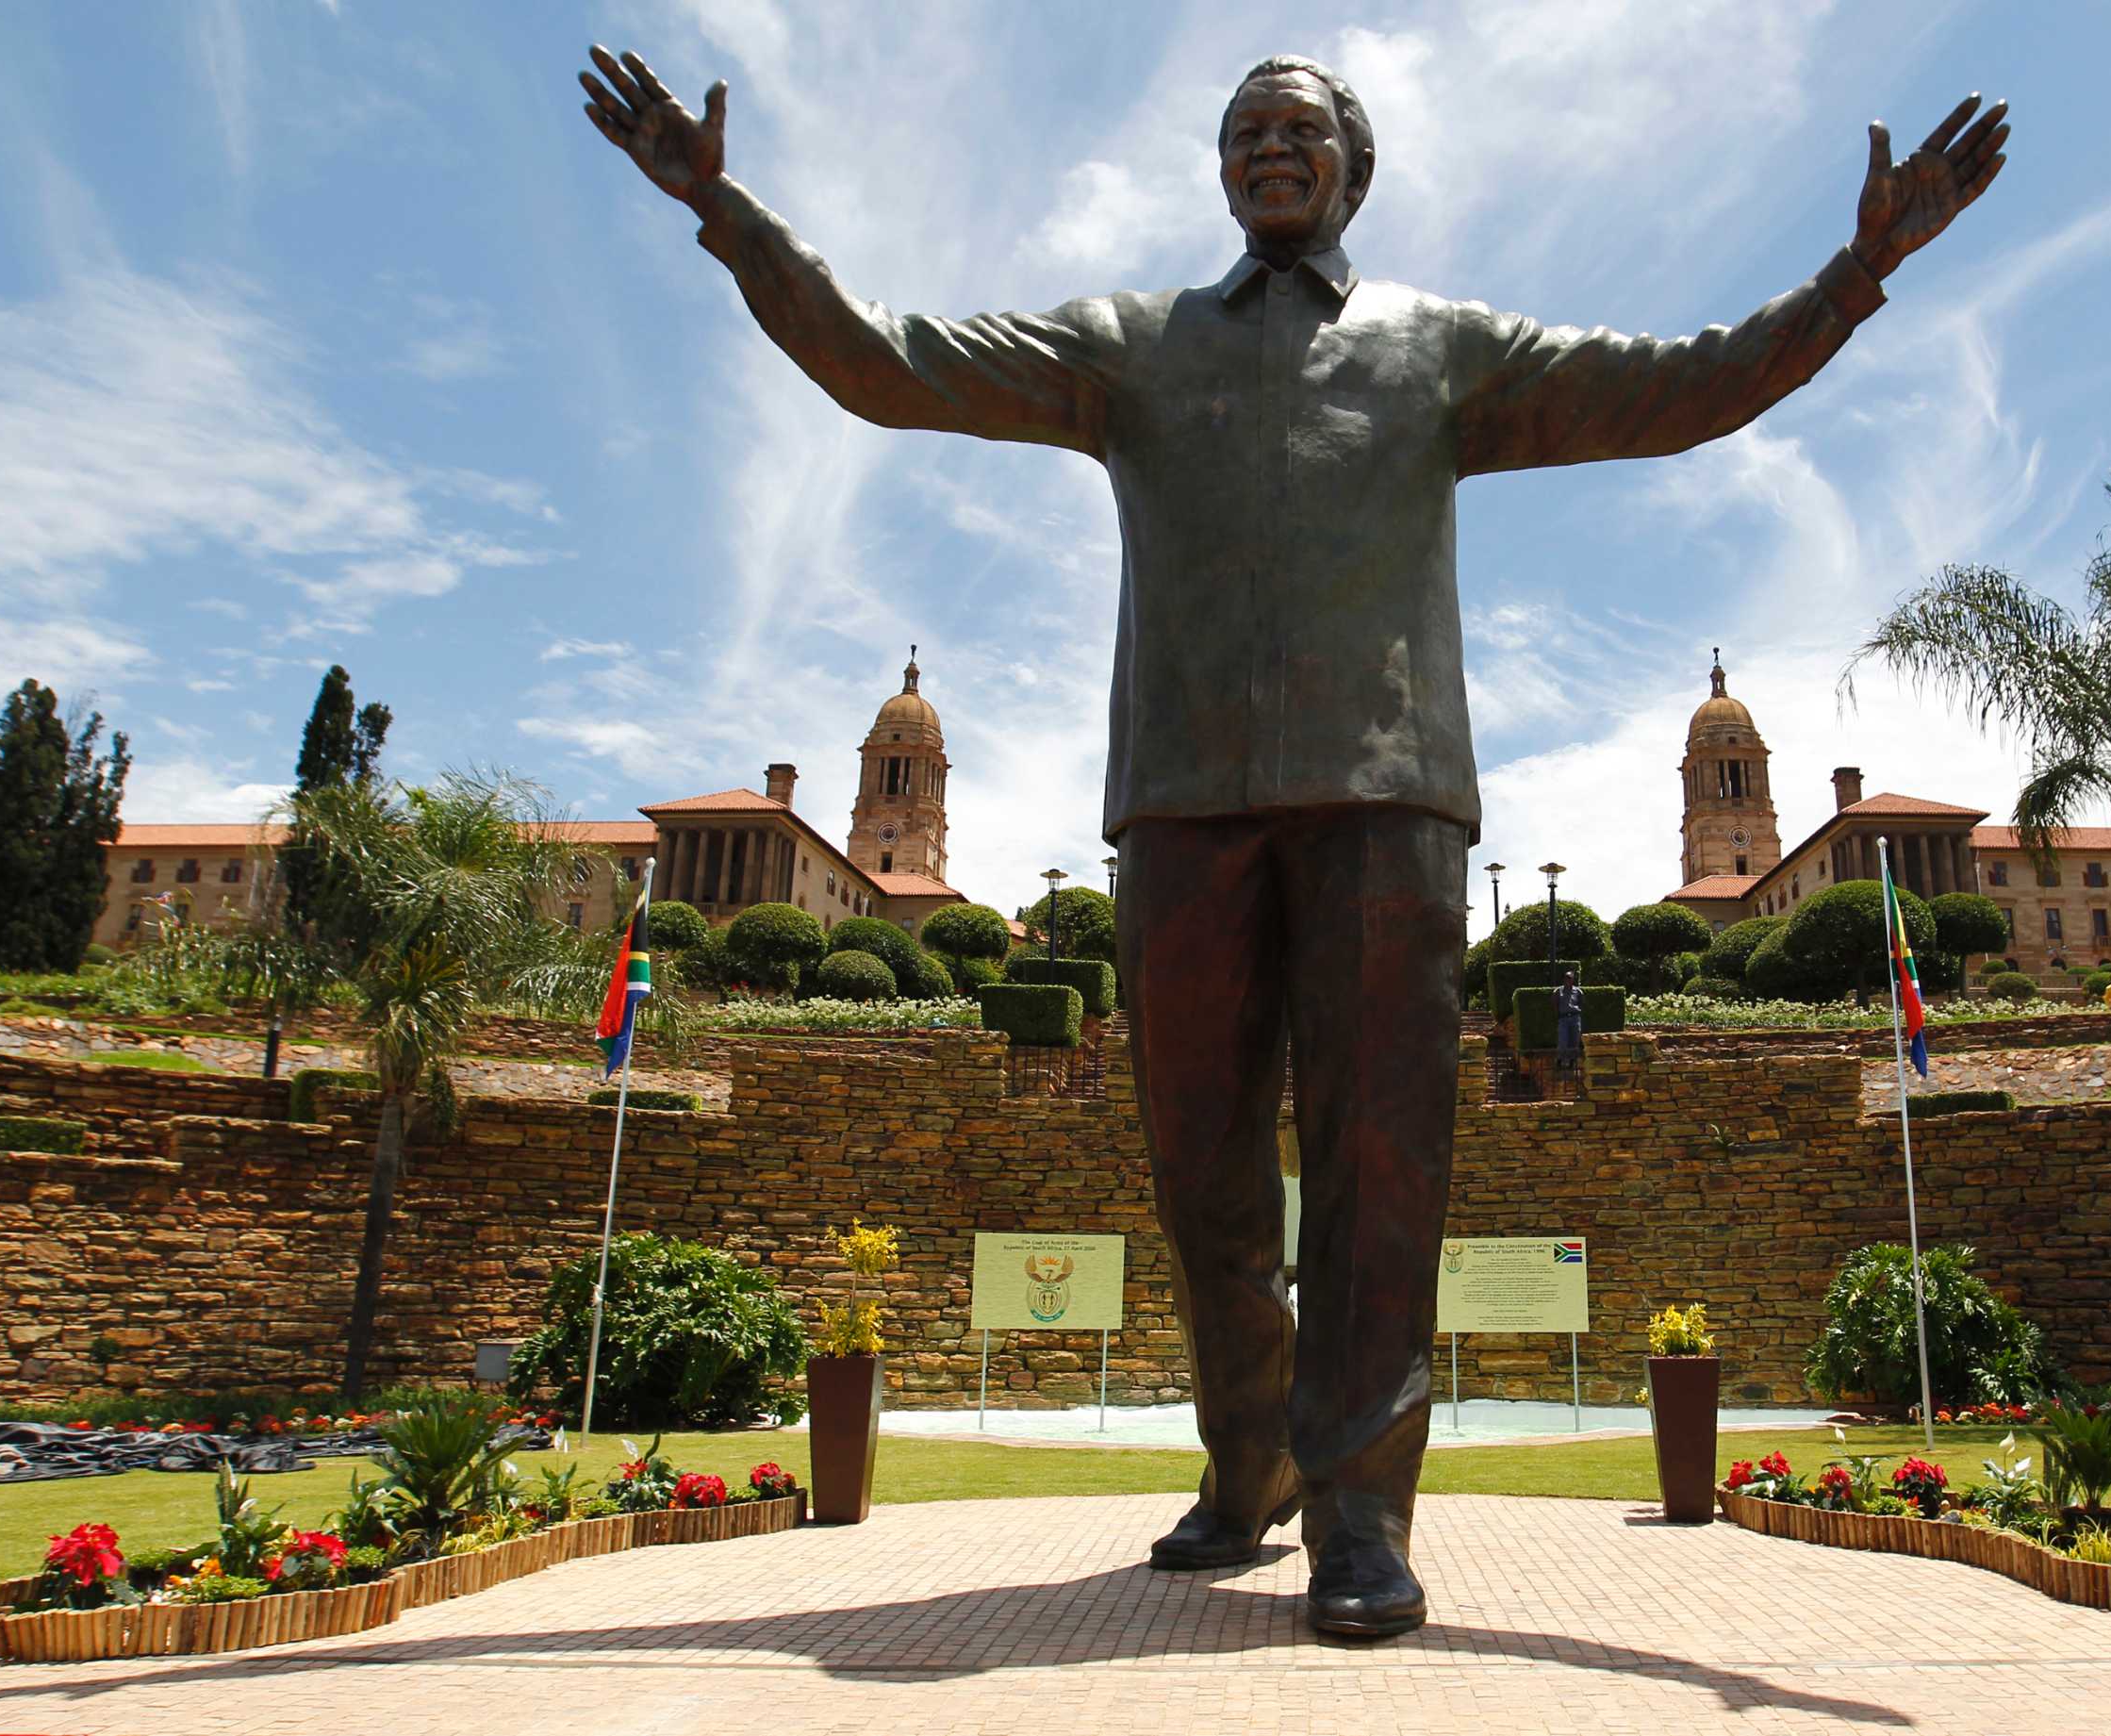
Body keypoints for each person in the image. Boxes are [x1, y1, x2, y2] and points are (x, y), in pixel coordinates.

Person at [578, 43, 2009, 1639]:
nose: (1271, 148)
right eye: (1246, 130)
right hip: (1184, 803)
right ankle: (1246, 1457)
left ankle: (1363, 1516)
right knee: (1203, 1178)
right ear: (1222, 169)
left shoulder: (1440, 348)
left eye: (1301, 129)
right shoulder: (1133, 347)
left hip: (1388, 801)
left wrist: (1856, 272)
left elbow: (1679, 388)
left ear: (1352, 168)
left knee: (1383, 1167)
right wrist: (729, 215)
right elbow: (885, 361)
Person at [1554, 967, 1585, 1079]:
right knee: (1563, 1040)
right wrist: (1560, 1014)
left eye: (1569, 978)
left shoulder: (1578, 991)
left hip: (1575, 1017)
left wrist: (1576, 1012)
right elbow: (1555, 1004)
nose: (1567, 980)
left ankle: (1572, 1061)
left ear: (1573, 980)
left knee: (1575, 1040)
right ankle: (1559, 1060)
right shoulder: (1558, 991)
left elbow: (1581, 1003)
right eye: (1566, 978)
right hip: (1563, 1018)